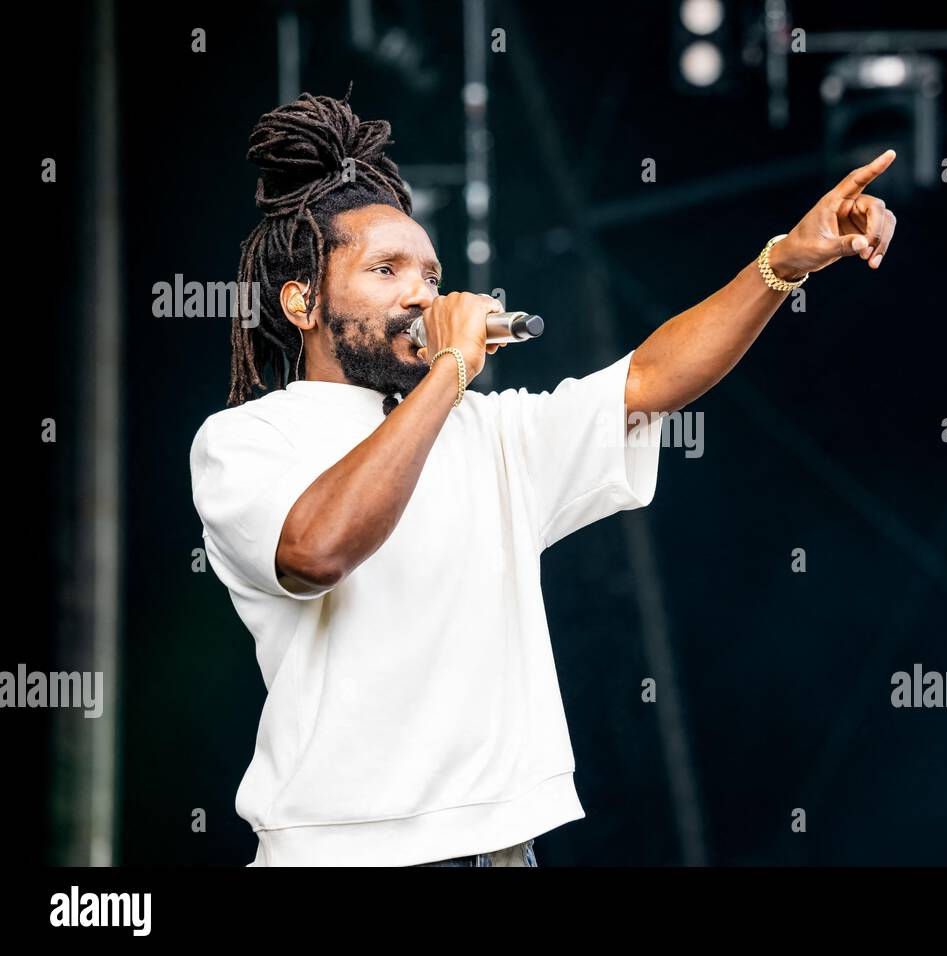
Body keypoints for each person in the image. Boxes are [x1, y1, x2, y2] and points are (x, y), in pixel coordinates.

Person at [189, 89, 898, 867]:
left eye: (430, 274)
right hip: (337, 855)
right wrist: (453, 369)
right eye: (385, 270)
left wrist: (784, 262)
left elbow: (651, 377)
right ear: (302, 301)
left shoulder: (489, 430)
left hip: (502, 851)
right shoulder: (246, 440)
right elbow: (318, 549)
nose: (420, 293)